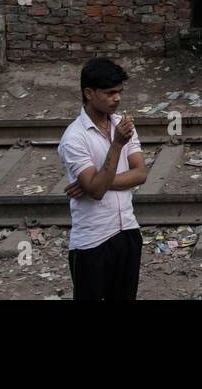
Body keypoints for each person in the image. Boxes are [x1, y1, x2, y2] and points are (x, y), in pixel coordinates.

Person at [57, 58, 147, 300]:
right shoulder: (74, 138)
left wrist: (96, 182)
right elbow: (96, 191)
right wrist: (117, 144)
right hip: (92, 241)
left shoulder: (122, 124)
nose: (117, 98)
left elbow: (140, 173)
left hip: (127, 231)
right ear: (89, 93)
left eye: (119, 92)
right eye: (109, 93)